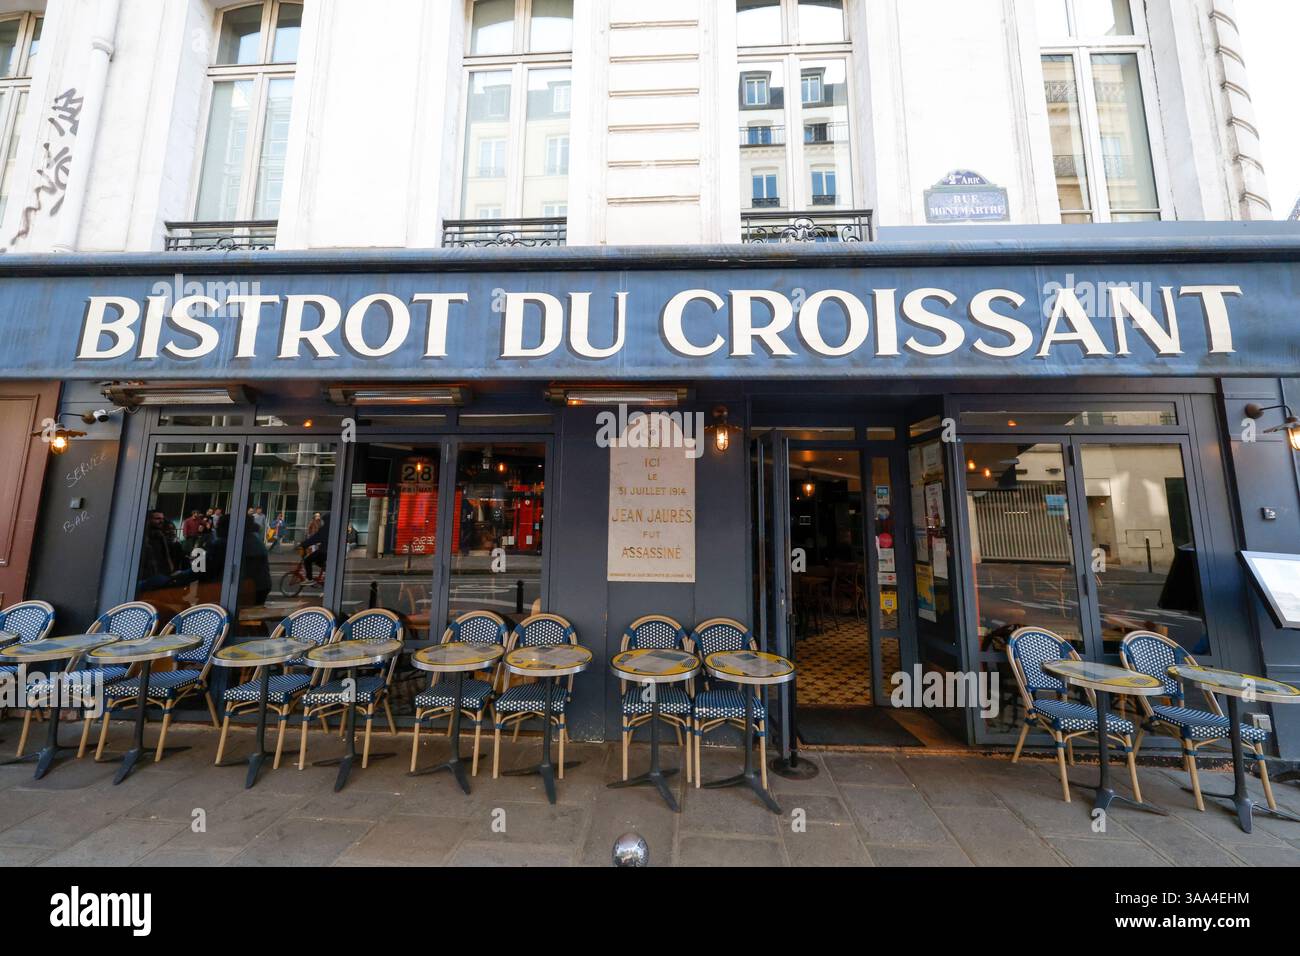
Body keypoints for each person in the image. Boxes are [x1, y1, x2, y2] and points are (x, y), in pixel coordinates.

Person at [137, 510, 185, 592]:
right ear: (149, 520)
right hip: (150, 577)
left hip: (161, 575)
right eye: (157, 518)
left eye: (162, 519)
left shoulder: (161, 535)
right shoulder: (144, 536)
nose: (161, 521)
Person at [301, 513, 330, 582]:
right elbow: (312, 533)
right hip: (327, 550)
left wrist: (303, 544)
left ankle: (309, 579)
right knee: (318, 561)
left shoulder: (325, 528)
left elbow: (315, 538)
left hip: (324, 551)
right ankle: (328, 571)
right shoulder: (331, 528)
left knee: (307, 560)